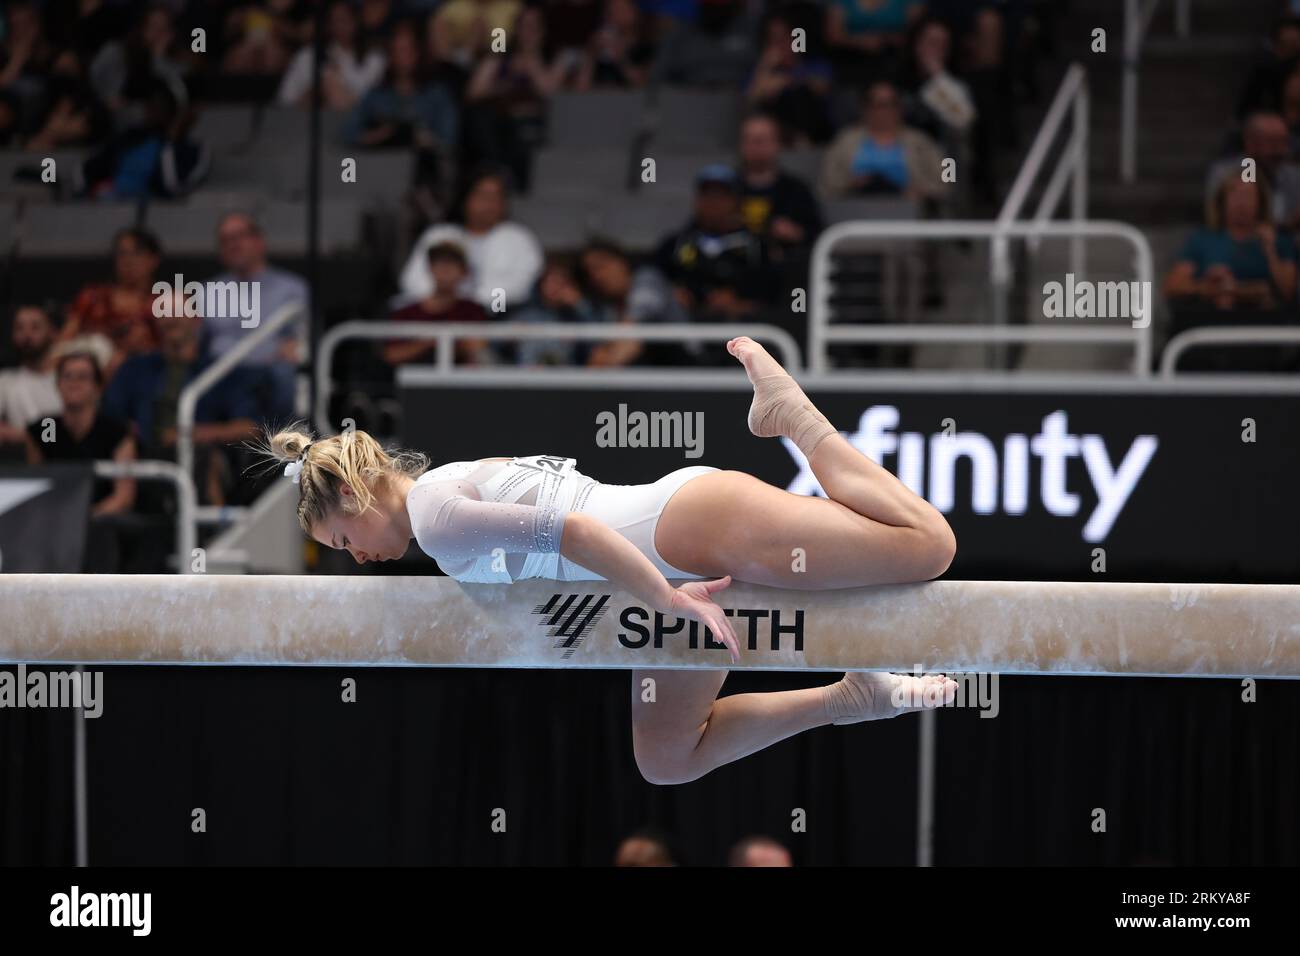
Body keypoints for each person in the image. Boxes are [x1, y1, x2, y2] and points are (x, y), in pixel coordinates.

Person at [259, 335, 957, 784]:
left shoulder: (435, 519)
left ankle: (790, 414)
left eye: (343, 542)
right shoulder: (441, 496)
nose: (357, 558)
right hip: (667, 567)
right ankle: (851, 698)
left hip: (691, 529)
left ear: (351, 495)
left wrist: (667, 599)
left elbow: (574, 533)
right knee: (667, 757)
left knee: (928, 544)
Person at [205, 212, 308, 421]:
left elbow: (302, 342)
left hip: (266, 375)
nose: (233, 245)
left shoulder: (292, 288)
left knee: (284, 375)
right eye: (225, 240)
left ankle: (280, 439)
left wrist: (295, 346)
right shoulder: (207, 291)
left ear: (259, 241)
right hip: (218, 376)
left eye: (239, 236)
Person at [398, 166, 543, 307]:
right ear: (465, 198)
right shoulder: (439, 235)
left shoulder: (518, 238)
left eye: (497, 196)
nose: (490, 203)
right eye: (483, 196)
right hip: (438, 311)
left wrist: (473, 303)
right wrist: (442, 301)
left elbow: (520, 288)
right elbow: (412, 280)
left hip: (498, 312)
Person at [24, 348, 136, 518]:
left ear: (97, 387)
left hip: (102, 522)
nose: (73, 383)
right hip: (52, 519)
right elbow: (36, 484)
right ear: (57, 385)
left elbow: (123, 498)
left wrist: (84, 518)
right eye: (67, 376)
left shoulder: (116, 430)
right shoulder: (47, 427)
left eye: (82, 377)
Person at [1165, 176, 1297, 311]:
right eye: (1235, 195)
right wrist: (1205, 287)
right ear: (1222, 201)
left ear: (1260, 202)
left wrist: (1270, 251)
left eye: (1247, 196)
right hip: (1213, 316)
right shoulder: (1202, 239)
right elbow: (1173, 286)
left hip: (1266, 318)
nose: (1241, 203)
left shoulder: (1280, 240)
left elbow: (1288, 291)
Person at [60, 226, 164, 381]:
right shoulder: (93, 297)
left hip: (148, 376)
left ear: (154, 260)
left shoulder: (166, 302)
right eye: (122, 254)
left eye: (137, 253)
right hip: (92, 375)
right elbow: (63, 343)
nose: (128, 261)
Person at [818, 80, 947, 201]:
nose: (885, 111)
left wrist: (922, 191)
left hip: (906, 209)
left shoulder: (920, 141)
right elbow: (826, 185)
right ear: (865, 108)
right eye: (878, 105)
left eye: (891, 104)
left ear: (900, 108)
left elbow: (946, 181)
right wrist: (850, 184)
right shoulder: (845, 141)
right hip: (856, 208)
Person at [384, 242, 490, 366]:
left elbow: (480, 346)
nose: (444, 272)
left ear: (464, 272)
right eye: (439, 265)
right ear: (430, 269)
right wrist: (427, 343)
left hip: (461, 375)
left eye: (451, 265)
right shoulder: (406, 312)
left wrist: (445, 341)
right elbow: (391, 354)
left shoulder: (472, 310)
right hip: (416, 375)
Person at [276, 0, 386, 111]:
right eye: (335, 21)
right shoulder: (307, 56)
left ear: (357, 21)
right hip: (306, 117)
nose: (340, 26)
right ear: (327, 24)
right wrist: (315, 92)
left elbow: (374, 103)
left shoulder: (374, 58)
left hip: (357, 117)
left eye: (345, 20)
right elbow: (283, 101)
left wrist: (338, 87)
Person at [0, 304, 62, 447]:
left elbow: (72, 431)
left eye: (35, 327)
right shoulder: (4, 381)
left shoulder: (68, 379)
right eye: (19, 328)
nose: (27, 335)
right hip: (18, 459)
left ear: (52, 332)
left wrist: (19, 434)